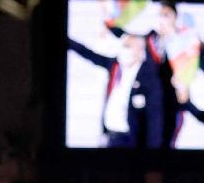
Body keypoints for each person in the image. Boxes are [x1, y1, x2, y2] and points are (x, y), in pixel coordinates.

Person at [67, 19, 176, 149]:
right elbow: (89, 54)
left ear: (140, 51)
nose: (122, 50)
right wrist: (68, 42)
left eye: (127, 46)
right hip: (110, 137)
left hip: (131, 140)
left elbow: (155, 119)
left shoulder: (149, 78)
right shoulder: (115, 65)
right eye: (122, 45)